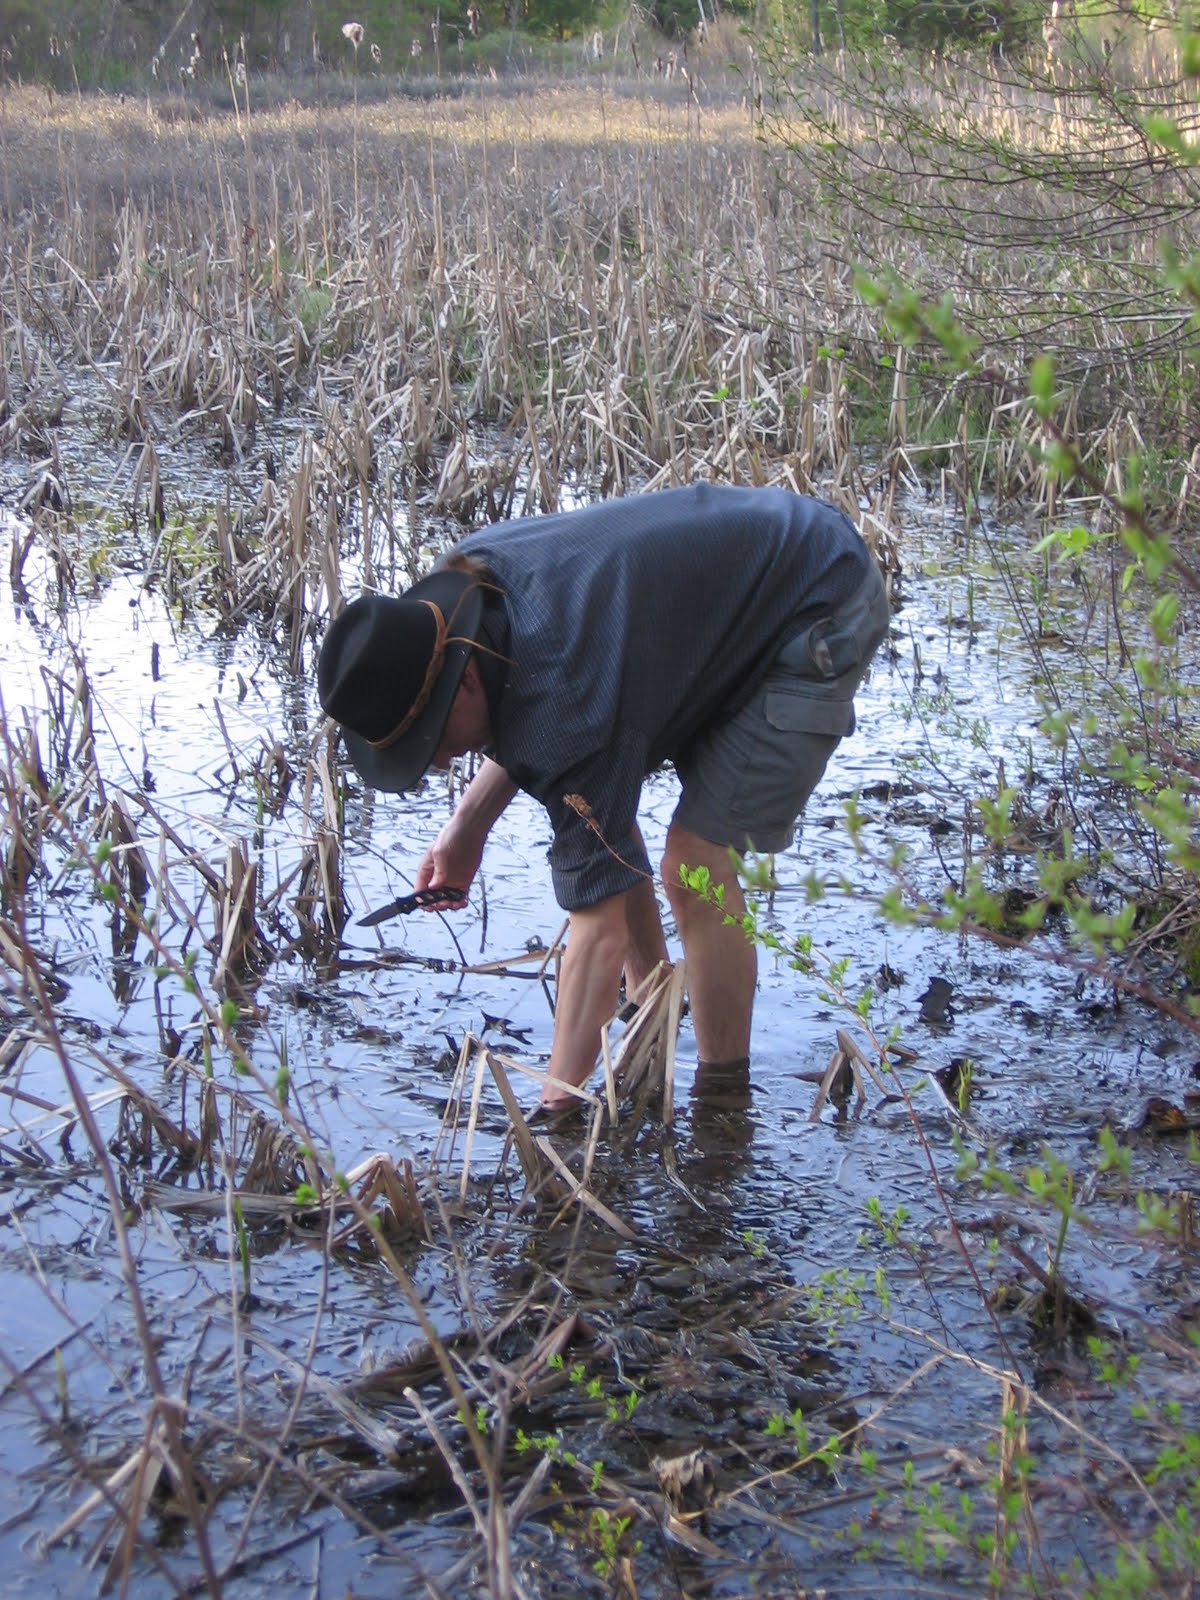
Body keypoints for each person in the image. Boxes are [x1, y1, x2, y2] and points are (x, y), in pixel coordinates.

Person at [317, 483, 889, 1113]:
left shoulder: (563, 692)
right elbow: (541, 723)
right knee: (604, 811)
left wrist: (554, 1112)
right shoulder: (464, 600)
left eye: (427, 743)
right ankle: (653, 1012)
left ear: (465, 680)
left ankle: (722, 1098)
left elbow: (596, 937)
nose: (439, 762)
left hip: (815, 600)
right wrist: (467, 828)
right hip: (739, 575)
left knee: (694, 864)